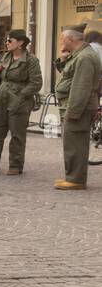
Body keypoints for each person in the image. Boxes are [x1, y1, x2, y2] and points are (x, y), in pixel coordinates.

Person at [0, 29, 41, 176]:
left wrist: (21, 96)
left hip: (19, 100)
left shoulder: (31, 60)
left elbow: (36, 83)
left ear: (20, 43)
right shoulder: (6, 56)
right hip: (1, 97)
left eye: (10, 40)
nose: (6, 43)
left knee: (17, 135)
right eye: (6, 40)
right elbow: (4, 75)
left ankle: (15, 165)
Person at [53, 27, 102, 189]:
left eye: (62, 38)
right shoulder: (79, 55)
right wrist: (63, 59)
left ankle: (76, 180)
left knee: (76, 144)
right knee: (73, 142)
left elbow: (81, 87)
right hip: (77, 106)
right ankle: (73, 176)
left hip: (80, 107)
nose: (61, 41)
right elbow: (69, 76)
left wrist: (72, 112)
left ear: (71, 39)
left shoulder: (85, 57)